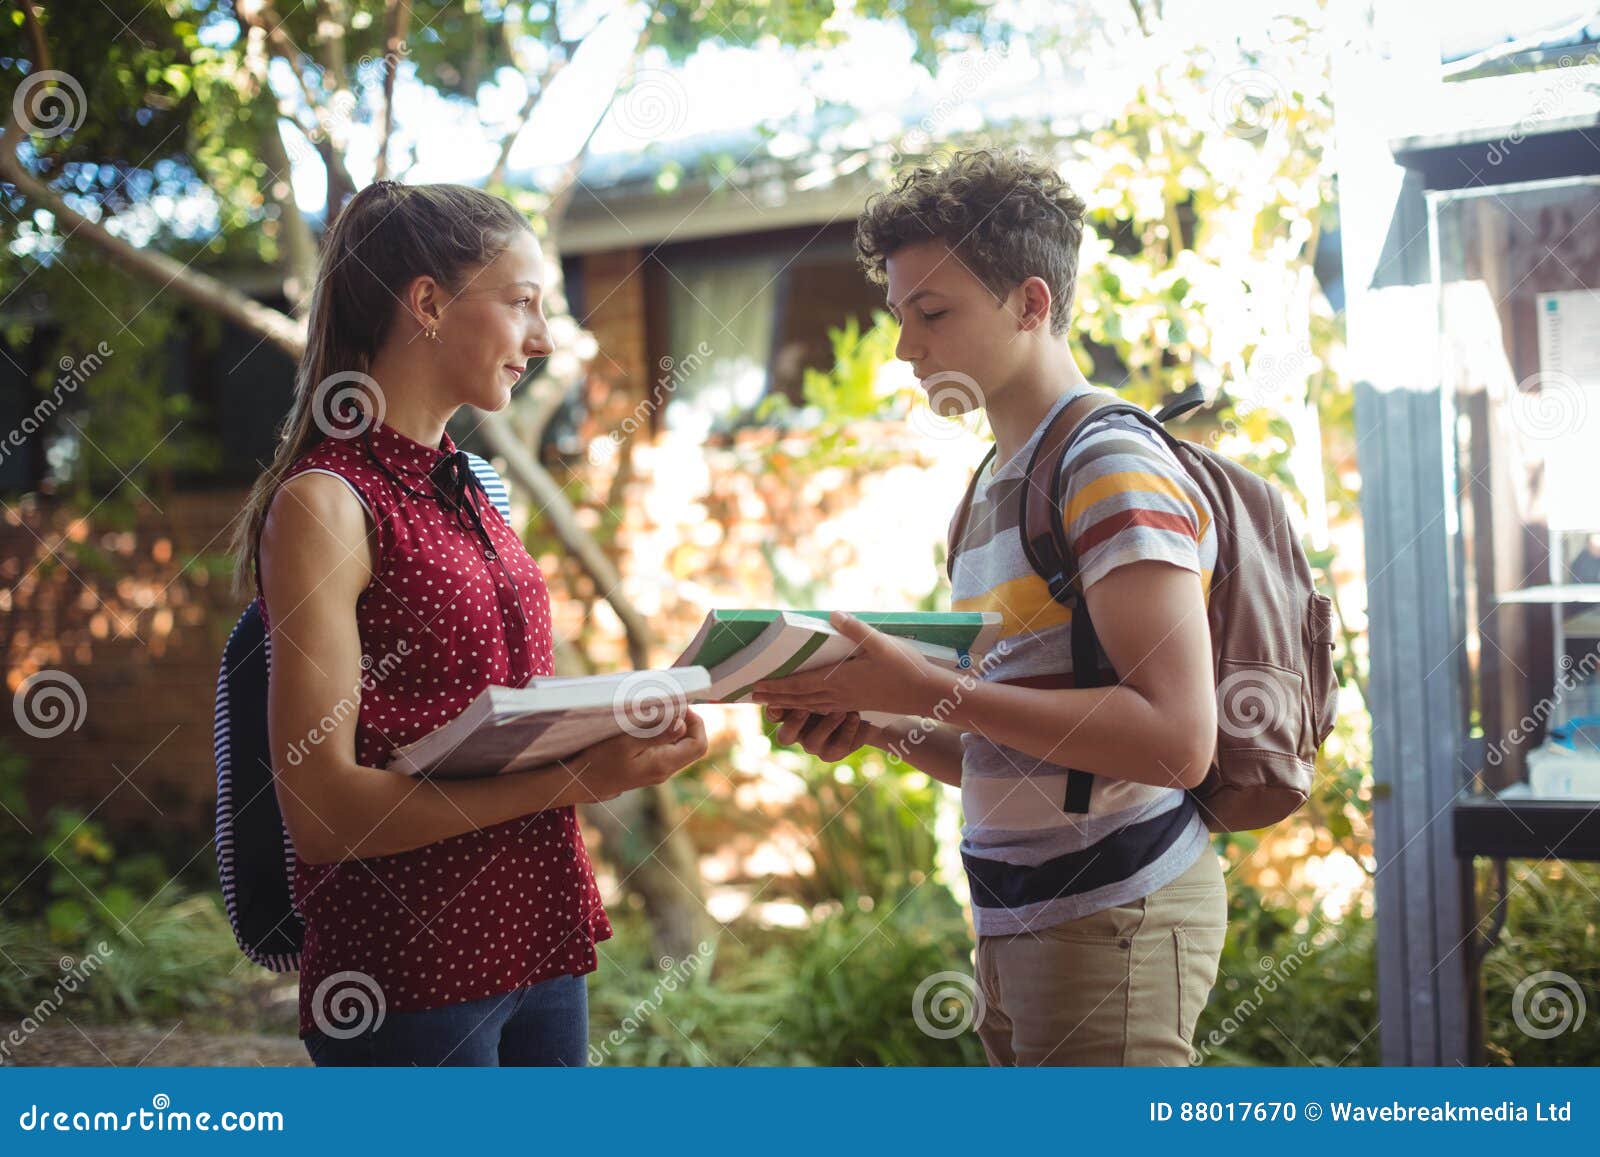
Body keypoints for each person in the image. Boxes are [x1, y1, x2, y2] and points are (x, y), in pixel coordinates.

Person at [753, 149, 1228, 1066]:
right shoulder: (986, 491)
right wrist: (878, 720)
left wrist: (930, 690)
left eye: (933, 313)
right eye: (901, 315)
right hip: (1023, 917)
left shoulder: (1104, 464)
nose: (905, 347)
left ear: (1033, 303)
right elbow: (1014, 745)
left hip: (1114, 911)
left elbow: (1177, 739)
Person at [231, 181, 707, 1066]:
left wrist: (628, 710)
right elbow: (324, 814)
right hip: (408, 976)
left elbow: (487, 711)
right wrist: (579, 780)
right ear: (427, 304)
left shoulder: (474, 488)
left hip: (536, 941)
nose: (541, 339)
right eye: (522, 302)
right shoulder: (326, 505)